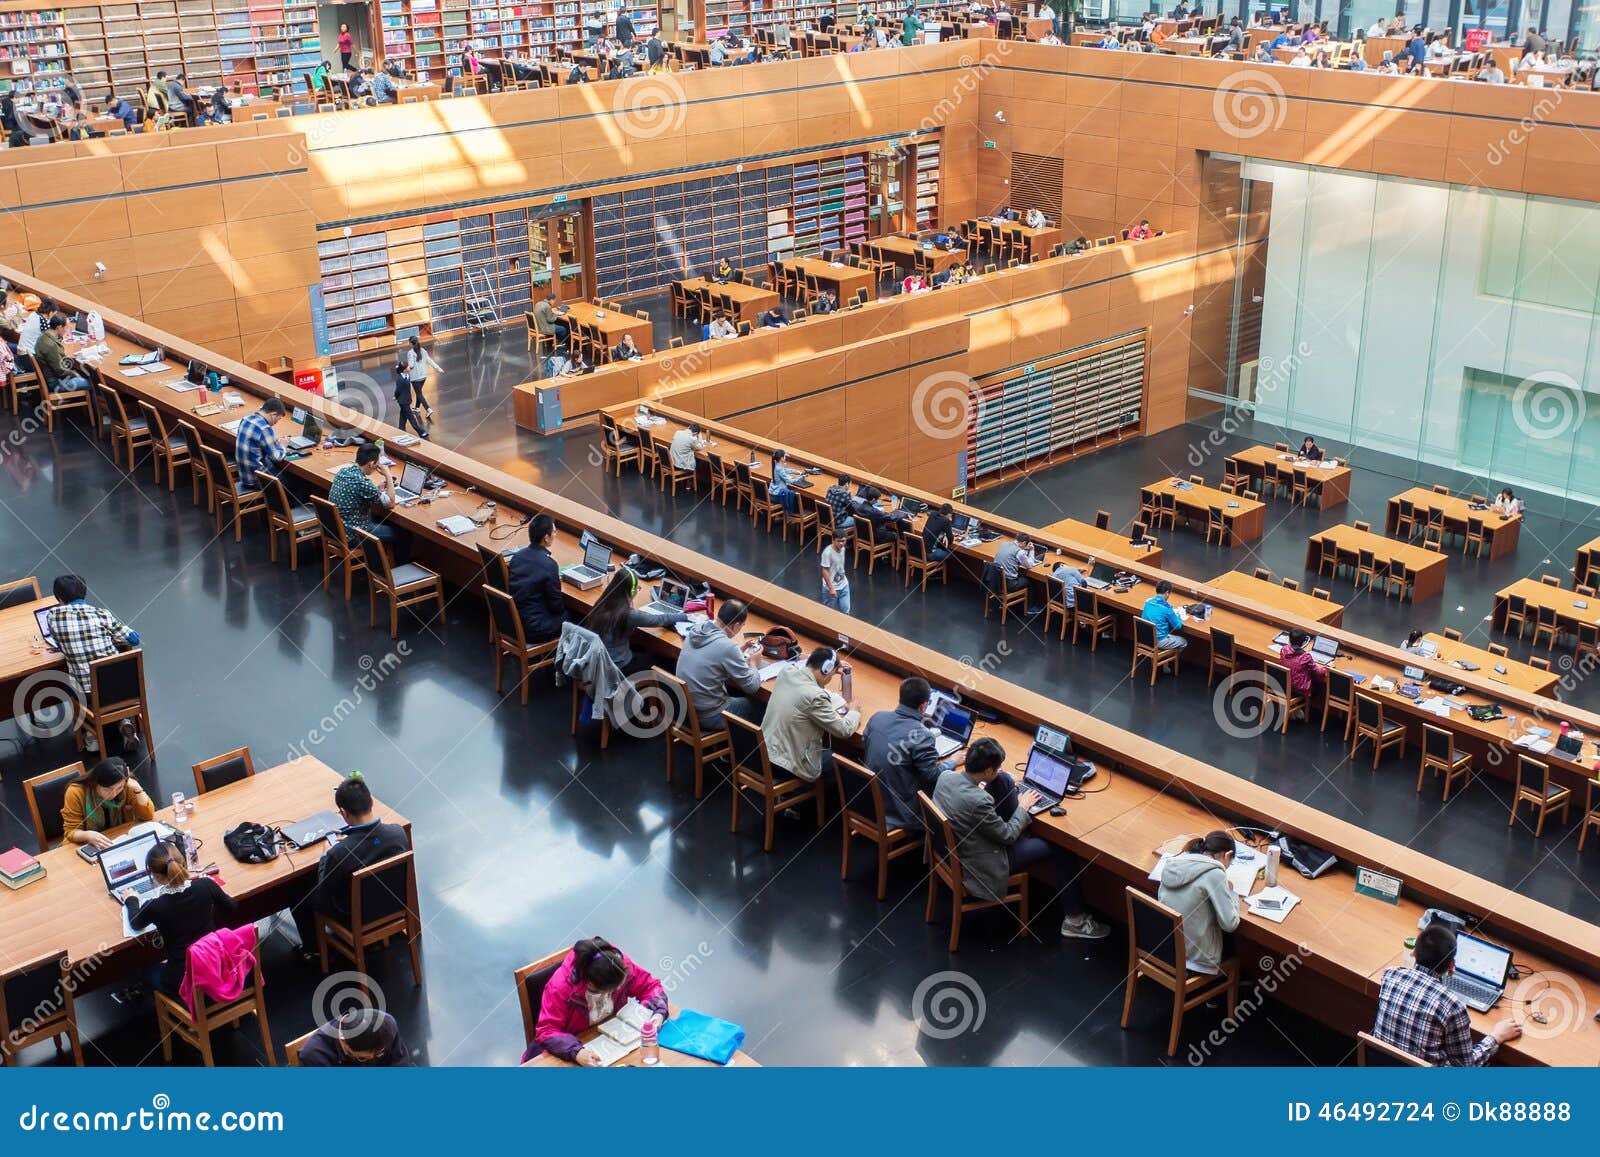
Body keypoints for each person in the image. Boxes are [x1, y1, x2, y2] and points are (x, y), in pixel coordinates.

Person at [933, 738, 1109, 939]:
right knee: (1063, 848)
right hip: (983, 864)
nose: (998, 771)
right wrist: (1022, 808)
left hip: (955, 851)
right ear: (988, 771)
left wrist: (1008, 791)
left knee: (1005, 781)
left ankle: (1023, 828)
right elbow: (1007, 836)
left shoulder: (946, 776)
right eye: (996, 768)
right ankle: (1075, 921)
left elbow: (981, 797)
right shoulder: (978, 801)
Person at [291, 774, 408, 956]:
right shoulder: (398, 833)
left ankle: (313, 952)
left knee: (298, 893)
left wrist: (325, 856)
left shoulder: (339, 853)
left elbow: (323, 896)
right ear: (371, 802)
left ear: (344, 812)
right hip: (392, 904)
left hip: (356, 916)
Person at [1373, 923, 1521, 1065]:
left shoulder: (1390, 975)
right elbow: (1466, 1066)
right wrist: (1496, 1037)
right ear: (1451, 965)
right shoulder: (1453, 1006)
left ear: (1413, 952)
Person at [121, 839, 237, 996]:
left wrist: (131, 899)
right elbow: (231, 907)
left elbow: (135, 923)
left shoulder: (155, 905)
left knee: (147, 970)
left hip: (182, 980)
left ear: (154, 875)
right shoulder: (206, 885)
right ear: (183, 864)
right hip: (217, 967)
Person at [528, 937, 667, 1064]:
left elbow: (650, 986)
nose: (609, 995)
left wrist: (658, 1013)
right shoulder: (560, 987)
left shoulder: (619, 967)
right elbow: (546, 1030)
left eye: (616, 989)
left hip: (614, 1039)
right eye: (602, 991)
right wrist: (577, 1053)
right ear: (587, 981)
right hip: (566, 1051)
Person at [863, 677, 961, 832]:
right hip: (900, 812)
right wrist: (953, 761)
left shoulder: (877, 718)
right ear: (923, 706)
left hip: (867, 801)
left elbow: (866, 744)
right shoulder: (924, 735)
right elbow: (932, 776)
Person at [763, 646, 861, 784]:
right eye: (831, 675)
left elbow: (808, 682)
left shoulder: (787, 672)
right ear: (826, 670)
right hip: (786, 765)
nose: (831, 678)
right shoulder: (816, 697)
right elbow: (844, 731)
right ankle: (800, 800)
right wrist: (854, 710)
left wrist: (831, 670)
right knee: (843, 763)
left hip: (763, 755)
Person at [45, 573, 141, 712]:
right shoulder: (102, 614)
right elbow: (134, 639)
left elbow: (60, 645)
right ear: (84, 593)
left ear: (59, 599)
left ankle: (87, 729)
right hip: (121, 687)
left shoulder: (53, 616)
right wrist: (109, 636)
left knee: (64, 686)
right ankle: (123, 720)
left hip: (87, 694)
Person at [1157, 832, 1242, 975]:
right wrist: (1232, 894)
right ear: (1228, 855)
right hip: (1196, 960)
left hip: (1165, 947)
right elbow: (1230, 924)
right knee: (1235, 944)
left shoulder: (1174, 862)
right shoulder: (1215, 874)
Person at [676, 599, 763, 728]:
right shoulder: (728, 647)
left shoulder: (697, 629)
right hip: (709, 715)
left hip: (685, 710)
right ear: (736, 625)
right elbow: (752, 686)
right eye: (742, 626)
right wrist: (754, 663)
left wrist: (739, 651)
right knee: (760, 706)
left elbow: (713, 659)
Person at [62, 757, 154, 847]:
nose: (113, 794)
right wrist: (88, 835)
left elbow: (148, 816)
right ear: (95, 783)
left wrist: (138, 790)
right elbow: (71, 831)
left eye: (119, 788)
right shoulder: (75, 792)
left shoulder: (127, 785)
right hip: (84, 844)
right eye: (107, 790)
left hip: (117, 837)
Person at [329, 443, 403, 552]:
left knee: (381, 519)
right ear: (371, 463)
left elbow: (360, 492)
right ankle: (397, 567)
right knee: (404, 534)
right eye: (377, 463)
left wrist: (377, 489)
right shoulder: (362, 483)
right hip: (355, 534)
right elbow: (391, 503)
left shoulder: (343, 472)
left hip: (337, 529)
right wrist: (388, 475)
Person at [508, 513, 566, 643]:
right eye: (554, 532)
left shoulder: (517, 557)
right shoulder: (549, 565)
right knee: (579, 618)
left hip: (512, 623)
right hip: (536, 629)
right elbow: (556, 607)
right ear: (546, 538)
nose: (555, 535)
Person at [298, 1008, 411, 1067]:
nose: (373, 1058)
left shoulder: (386, 1025)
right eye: (362, 1058)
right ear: (343, 1041)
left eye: (379, 1054)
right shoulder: (314, 1056)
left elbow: (401, 1063)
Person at [233, 396, 289, 490]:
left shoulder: (246, 419)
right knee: (296, 482)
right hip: (257, 480)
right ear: (273, 415)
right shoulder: (265, 428)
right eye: (278, 419)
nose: (276, 423)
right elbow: (277, 457)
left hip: (243, 475)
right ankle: (284, 504)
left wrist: (273, 443)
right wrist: (283, 446)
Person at [34, 314, 91, 394]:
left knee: (81, 372)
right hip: (55, 382)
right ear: (59, 328)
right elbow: (61, 371)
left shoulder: (43, 337)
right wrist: (76, 374)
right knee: (89, 382)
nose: (68, 330)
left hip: (49, 377)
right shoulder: (51, 346)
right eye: (67, 327)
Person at [992, 531, 1039, 613]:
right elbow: (1030, 565)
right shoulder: (1020, 552)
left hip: (995, 581)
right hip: (1009, 584)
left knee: (1020, 575)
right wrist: (1031, 550)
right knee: (1030, 582)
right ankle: (1030, 608)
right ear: (1024, 543)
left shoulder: (1004, 544)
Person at [1278, 627, 1325, 708]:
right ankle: (1316, 711)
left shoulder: (1283, 650)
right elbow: (1318, 673)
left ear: (1289, 640)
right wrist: (1326, 668)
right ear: (1304, 642)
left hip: (1283, 684)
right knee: (1320, 685)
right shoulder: (1305, 657)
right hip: (1297, 689)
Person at [402, 335, 440, 426]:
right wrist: (438, 368)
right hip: (423, 376)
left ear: (411, 343)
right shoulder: (423, 350)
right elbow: (429, 361)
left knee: (419, 394)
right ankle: (417, 408)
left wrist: (404, 370)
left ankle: (428, 409)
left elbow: (411, 365)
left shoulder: (410, 353)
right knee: (419, 392)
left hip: (416, 377)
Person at [1142, 578, 1187, 652]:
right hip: (1158, 641)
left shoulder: (1148, 602)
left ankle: (1160, 653)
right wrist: (1179, 616)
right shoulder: (1167, 608)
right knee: (1183, 642)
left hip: (1144, 637)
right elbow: (1178, 626)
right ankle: (1165, 658)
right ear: (1167, 593)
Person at [820, 532, 850, 614]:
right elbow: (825, 570)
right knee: (828, 613)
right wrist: (831, 588)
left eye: (843, 541)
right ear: (833, 540)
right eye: (838, 541)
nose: (841, 543)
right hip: (831, 587)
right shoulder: (827, 553)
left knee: (846, 610)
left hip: (844, 585)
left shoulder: (843, 549)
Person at [768, 448, 801, 514]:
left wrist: (797, 472)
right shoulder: (779, 468)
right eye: (784, 456)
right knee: (795, 496)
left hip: (772, 494)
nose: (785, 457)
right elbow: (790, 481)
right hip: (777, 496)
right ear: (781, 458)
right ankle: (791, 515)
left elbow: (786, 470)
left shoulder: (776, 465)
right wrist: (800, 478)